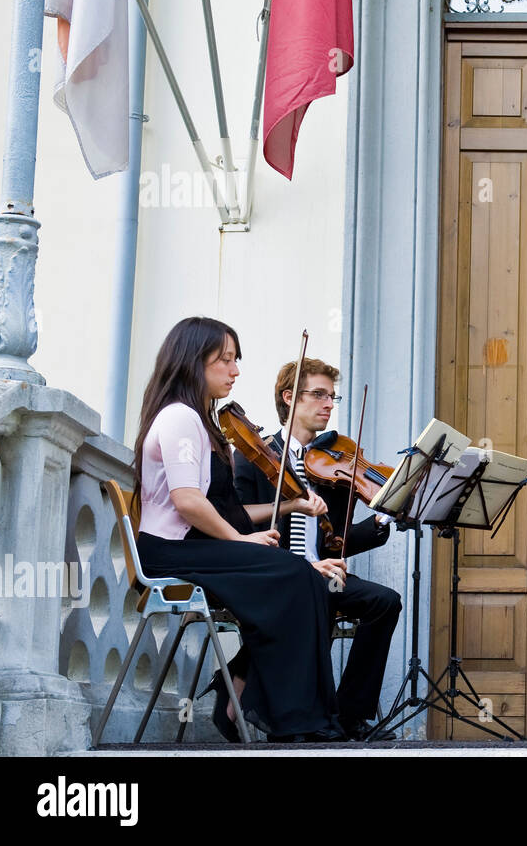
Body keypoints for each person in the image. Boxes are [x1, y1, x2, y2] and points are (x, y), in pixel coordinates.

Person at [132, 316, 343, 742]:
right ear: (194, 362)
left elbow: (215, 506)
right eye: (225, 360)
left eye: (235, 359)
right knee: (295, 576)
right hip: (169, 552)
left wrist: (285, 507)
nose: (235, 370)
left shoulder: (196, 420)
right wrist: (242, 540)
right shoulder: (179, 418)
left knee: (302, 578)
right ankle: (292, 719)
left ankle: (269, 708)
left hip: (188, 547)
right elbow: (188, 501)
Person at [232, 357, 401, 741]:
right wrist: (305, 566)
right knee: (316, 595)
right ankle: (304, 715)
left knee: (384, 601)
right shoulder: (257, 455)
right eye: (319, 395)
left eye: (332, 396)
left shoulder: (331, 461)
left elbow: (336, 541)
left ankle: (350, 714)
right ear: (289, 397)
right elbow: (240, 527)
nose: (328, 404)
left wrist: (379, 522)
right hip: (277, 574)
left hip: (320, 573)